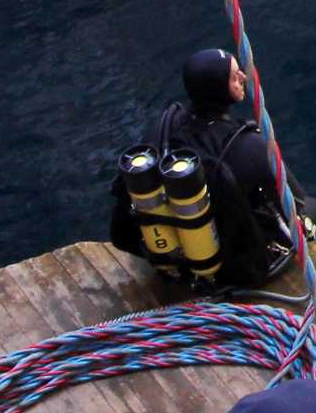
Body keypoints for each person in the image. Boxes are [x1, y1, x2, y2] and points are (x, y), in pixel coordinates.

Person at [107, 48, 292, 290]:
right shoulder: (249, 145)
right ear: (219, 89)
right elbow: (290, 205)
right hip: (232, 266)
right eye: (235, 76)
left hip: (169, 256)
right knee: (314, 212)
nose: (244, 78)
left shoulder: (162, 128)